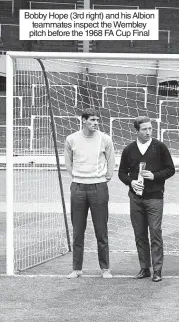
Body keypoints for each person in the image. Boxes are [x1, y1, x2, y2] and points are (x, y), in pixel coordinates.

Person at [118, 116, 175, 282]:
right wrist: (132, 182)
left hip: (155, 198)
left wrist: (154, 176)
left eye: (150, 128)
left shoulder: (160, 147)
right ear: (137, 131)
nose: (148, 132)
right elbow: (122, 172)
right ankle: (144, 268)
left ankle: (157, 270)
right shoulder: (129, 150)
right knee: (140, 234)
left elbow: (170, 169)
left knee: (155, 232)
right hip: (135, 198)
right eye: (144, 129)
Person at [65, 108, 115, 279]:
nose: (95, 123)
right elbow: (69, 163)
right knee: (78, 230)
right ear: (83, 120)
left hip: (98, 187)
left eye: (97, 120)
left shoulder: (105, 139)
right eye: (92, 120)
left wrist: (105, 176)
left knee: (101, 230)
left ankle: (105, 268)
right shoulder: (71, 139)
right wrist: (79, 177)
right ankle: (77, 268)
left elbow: (110, 160)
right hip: (78, 187)